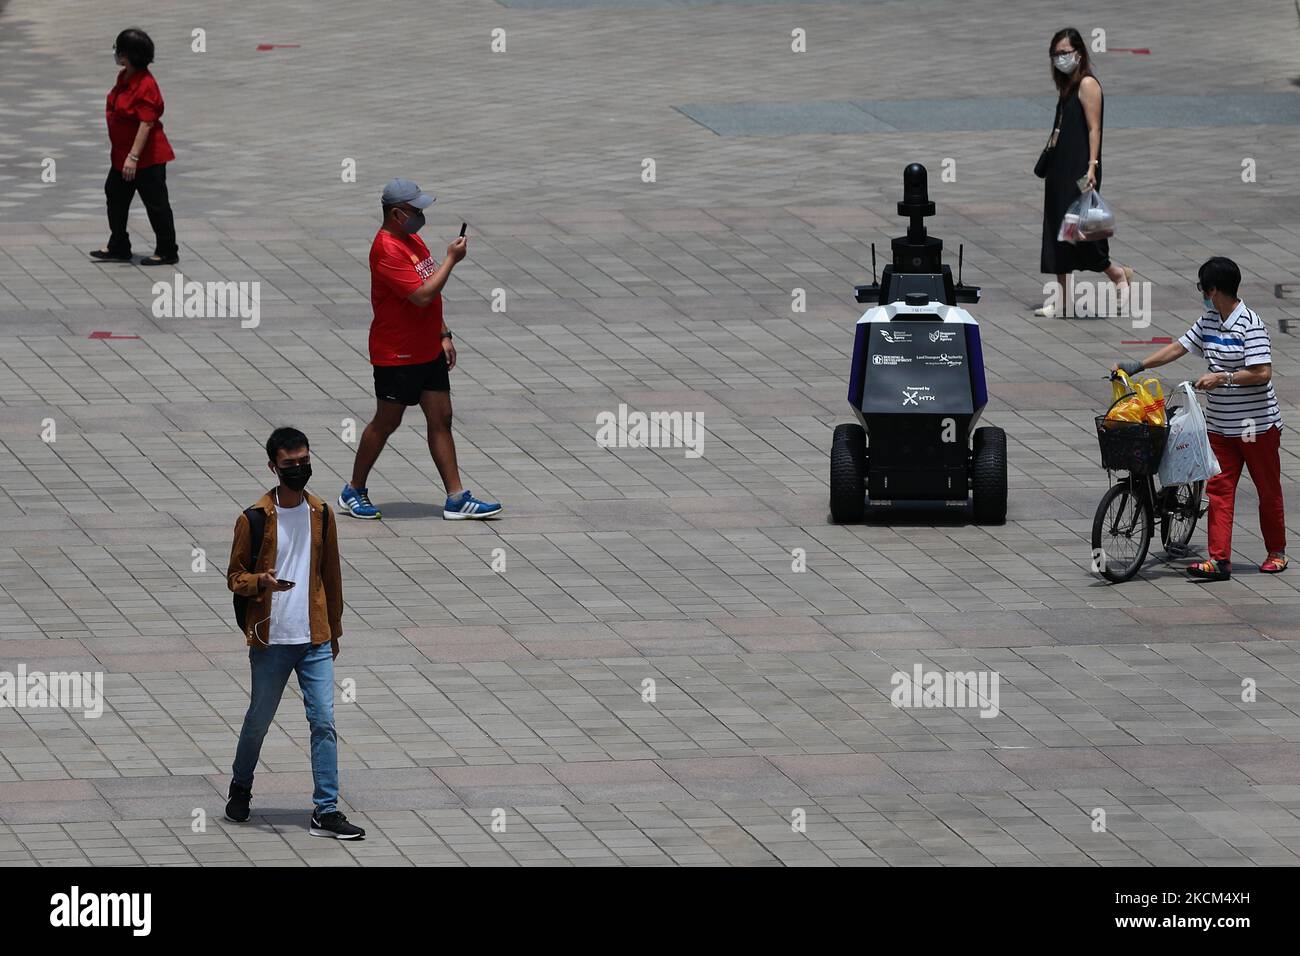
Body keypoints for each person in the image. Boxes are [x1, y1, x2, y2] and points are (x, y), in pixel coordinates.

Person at [225, 427, 364, 839]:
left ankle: (326, 810)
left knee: (323, 721)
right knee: (258, 721)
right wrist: (261, 582)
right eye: (290, 465)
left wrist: (334, 629)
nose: (300, 469)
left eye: (304, 462)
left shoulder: (321, 513)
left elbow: (331, 575)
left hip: (314, 638)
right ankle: (241, 787)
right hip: (271, 640)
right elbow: (234, 578)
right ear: (273, 467)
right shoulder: (253, 518)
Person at [338, 178, 502, 521]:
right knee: (386, 422)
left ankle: (456, 497)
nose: (422, 215)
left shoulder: (411, 240)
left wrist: (443, 334)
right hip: (396, 354)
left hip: (427, 351)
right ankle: (353, 490)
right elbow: (422, 294)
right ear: (397, 214)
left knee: (441, 419)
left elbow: (430, 299)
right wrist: (452, 260)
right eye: (416, 210)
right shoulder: (387, 249)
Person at [1114, 257, 1285, 581]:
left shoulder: (1251, 324)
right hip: (1220, 426)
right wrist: (1139, 365)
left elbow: (1263, 373)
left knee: (1267, 489)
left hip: (1255, 427)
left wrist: (1224, 378)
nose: (1202, 295)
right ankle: (1219, 561)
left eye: (1202, 288)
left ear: (1215, 290)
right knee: (1219, 489)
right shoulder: (1209, 320)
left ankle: (1276, 551)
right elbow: (1179, 347)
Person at [1035, 27, 1131, 319]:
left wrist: (1092, 166)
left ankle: (1117, 274)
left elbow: (1094, 128)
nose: (1060, 59)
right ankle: (1063, 299)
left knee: (1082, 230)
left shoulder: (1088, 84)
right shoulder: (1066, 86)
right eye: (1056, 54)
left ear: (1079, 53)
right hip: (1059, 168)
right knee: (1057, 232)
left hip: (1080, 168)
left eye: (1065, 53)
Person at [89, 28, 179, 266]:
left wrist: (134, 157)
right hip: (122, 157)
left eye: (117, 49)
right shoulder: (125, 77)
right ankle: (119, 244)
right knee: (114, 195)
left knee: (156, 204)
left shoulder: (146, 84)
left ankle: (167, 250)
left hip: (145, 159)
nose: (115, 54)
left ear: (126, 55)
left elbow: (147, 123)